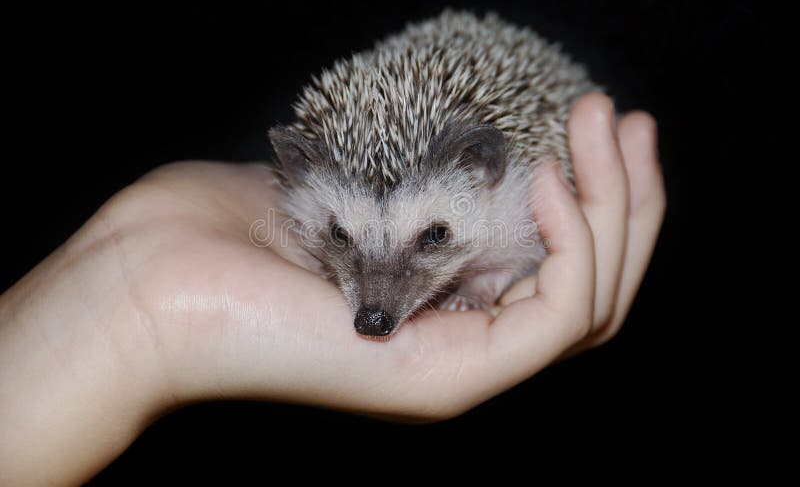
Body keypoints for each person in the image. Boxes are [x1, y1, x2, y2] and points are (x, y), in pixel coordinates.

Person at [0, 93, 664, 484]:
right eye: (342, 241)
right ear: (297, 186)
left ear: (488, 174)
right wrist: (136, 307)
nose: (375, 298)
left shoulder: (515, 197)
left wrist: (485, 284)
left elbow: (517, 254)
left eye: (430, 239)